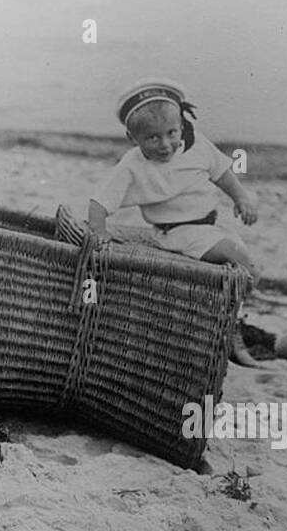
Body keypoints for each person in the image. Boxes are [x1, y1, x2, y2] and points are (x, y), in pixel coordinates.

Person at [88, 78, 262, 366]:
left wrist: (241, 198)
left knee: (251, 273)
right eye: (152, 138)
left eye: (171, 132)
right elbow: (99, 202)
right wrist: (99, 233)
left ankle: (229, 323)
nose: (165, 144)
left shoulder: (196, 145)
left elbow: (222, 174)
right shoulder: (133, 165)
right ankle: (231, 331)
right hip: (177, 232)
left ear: (182, 125)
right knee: (242, 263)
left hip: (212, 225)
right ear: (134, 138)